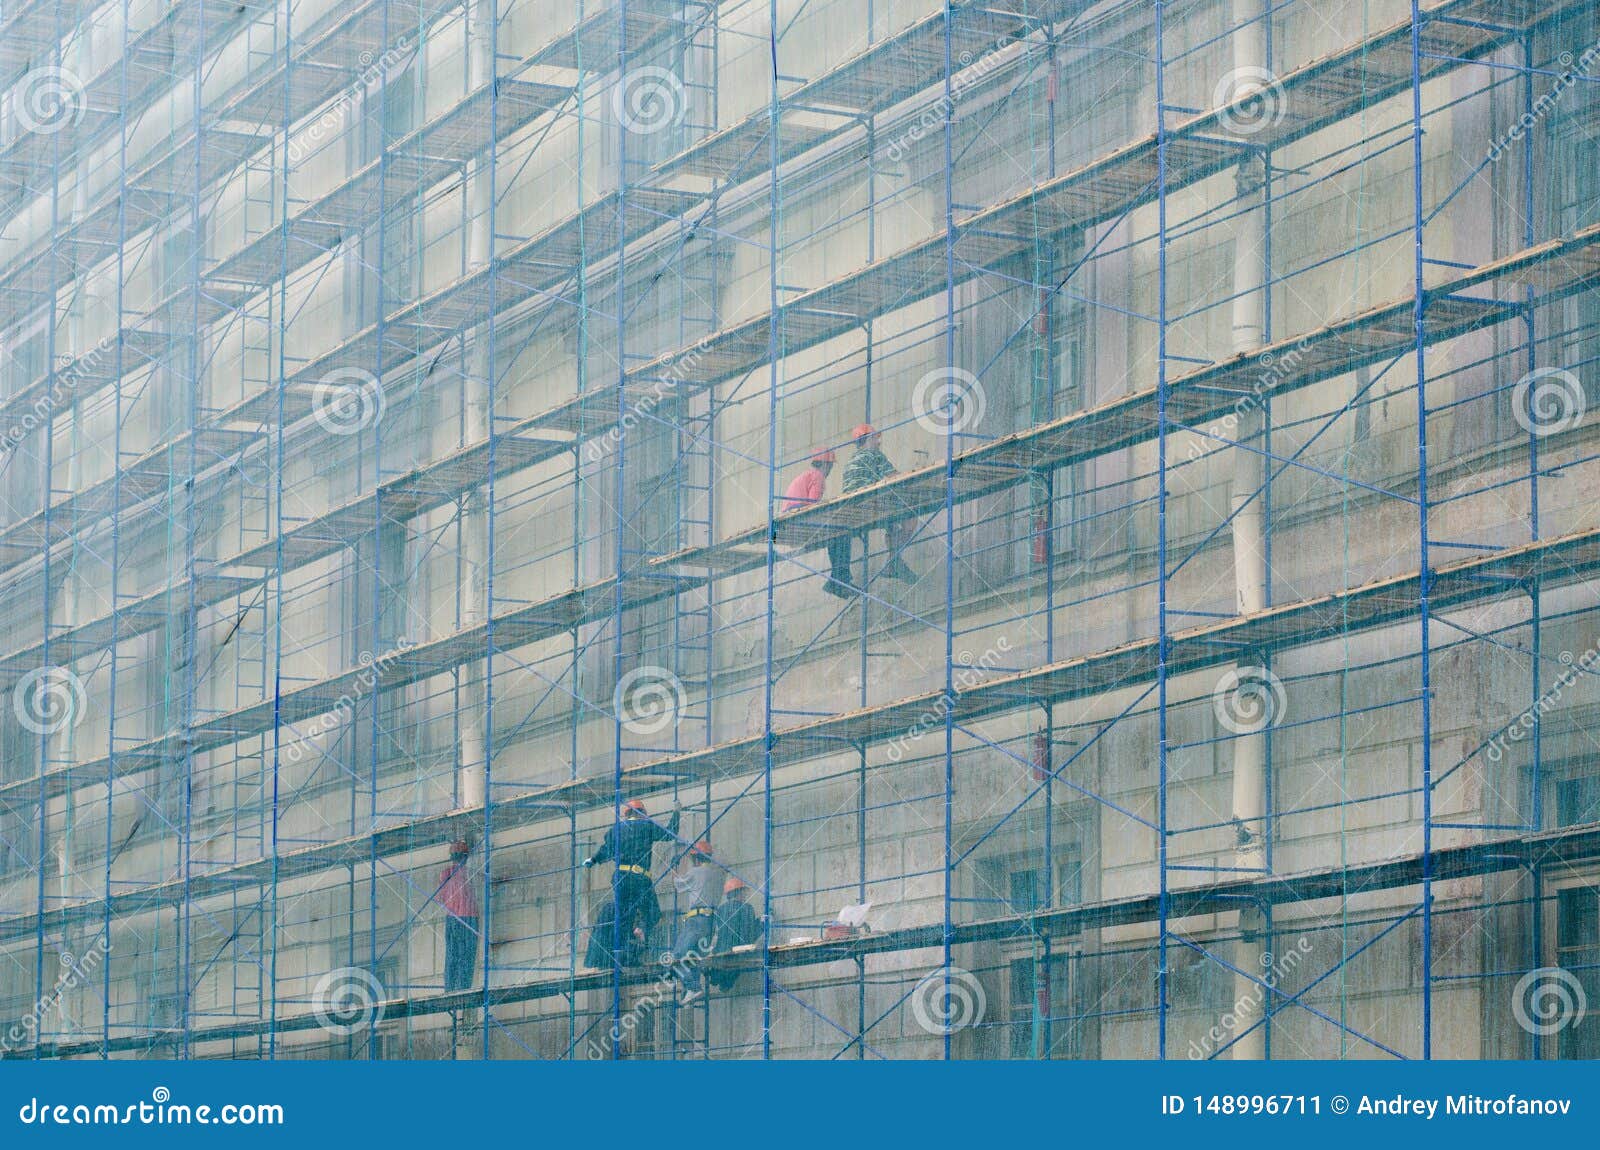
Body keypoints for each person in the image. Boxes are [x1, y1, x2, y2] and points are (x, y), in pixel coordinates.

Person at [582, 798, 680, 965]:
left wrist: (593, 859)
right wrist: (677, 812)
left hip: (621, 879)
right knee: (653, 912)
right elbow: (670, 833)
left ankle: (624, 949)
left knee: (624, 917)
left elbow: (606, 851)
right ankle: (640, 930)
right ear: (642, 813)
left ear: (626, 814)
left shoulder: (616, 830)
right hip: (639, 878)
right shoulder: (647, 826)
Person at [840, 423, 915, 584]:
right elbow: (895, 477)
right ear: (868, 439)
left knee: (892, 521)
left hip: (853, 507)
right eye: (876, 438)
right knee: (910, 517)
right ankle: (893, 560)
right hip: (870, 502)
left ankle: (894, 562)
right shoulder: (874, 455)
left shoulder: (850, 462)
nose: (879, 442)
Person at [782, 448, 855, 598]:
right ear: (825, 465)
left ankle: (837, 580)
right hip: (800, 514)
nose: (830, 471)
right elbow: (813, 505)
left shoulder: (806, 475)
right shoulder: (818, 476)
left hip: (791, 516)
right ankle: (839, 580)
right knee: (842, 532)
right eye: (831, 467)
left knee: (834, 535)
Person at [671, 841, 722, 1005]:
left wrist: (675, 867)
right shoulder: (717, 874)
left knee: (678, 955)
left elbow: (677, 884)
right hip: (710, 922)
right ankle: (692, 988)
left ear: (696, 859)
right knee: (692, 956)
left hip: (696, 920)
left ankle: (692, 987)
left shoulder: (697, 872)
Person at [708, 876, 763, 992]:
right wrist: (763, 923)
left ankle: (719, 979)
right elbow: (750, 934)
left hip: (720, 953)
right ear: (738, 892)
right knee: (731, 972)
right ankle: (724, 982)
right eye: (743, 892)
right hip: (737, 953)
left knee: (722, 974)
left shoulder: (720, 910)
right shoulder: (746, 908)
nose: (745, 895)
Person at [438, 840, 480, 992]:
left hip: (451, 918)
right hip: (469, 918)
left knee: (452, 954)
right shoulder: (470, 873)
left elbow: (441, 898)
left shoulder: (445, 874)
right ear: (466, 857)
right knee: (466, 954)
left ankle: (450, 987)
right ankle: (463, 987)